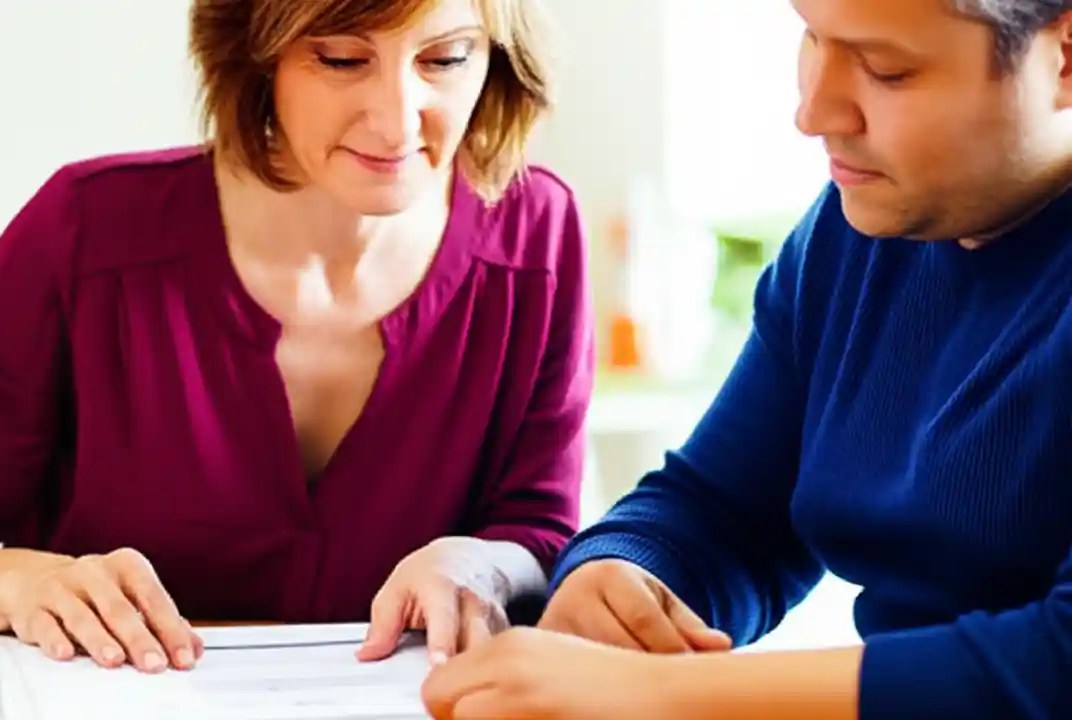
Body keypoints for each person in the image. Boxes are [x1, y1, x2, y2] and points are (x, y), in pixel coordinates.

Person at [0, 0, 593, 676]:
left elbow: (540, 533)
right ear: (259, 55)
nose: (395, 118)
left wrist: (483, 563)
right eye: (343, 59)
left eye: (446, 59)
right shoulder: (87, 235)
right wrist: (9, 581)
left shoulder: (538, 239)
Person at [422, 0, 1072, 718]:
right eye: (811, 38)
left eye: (887, 70)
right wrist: (621, 573)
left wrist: (659, 694)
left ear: (1064, 57)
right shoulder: (852, 234)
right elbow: (721, 511)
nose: (814, 111)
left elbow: (1056, 664)